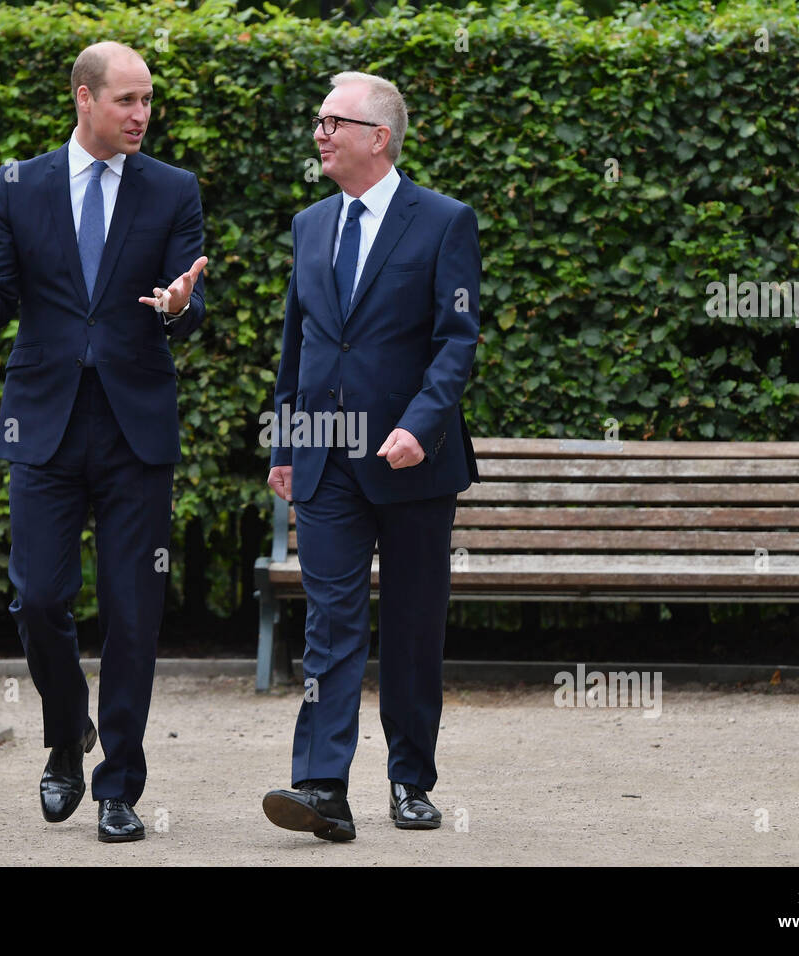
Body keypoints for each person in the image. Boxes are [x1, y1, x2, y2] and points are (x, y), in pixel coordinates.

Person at [0, 41, 207, 843]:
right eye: (127, 100)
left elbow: (192, 301)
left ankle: (119, 787)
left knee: (133, 610)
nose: (142, 114)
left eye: (149, 100)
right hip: (41, 424)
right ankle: (65, 731)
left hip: (133, 430)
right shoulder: (22, 184)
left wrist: (181, 305)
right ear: (84, 98)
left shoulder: (173, 190)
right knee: (39, 597)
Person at [262, 72, 481, 841]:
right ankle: (322, 786)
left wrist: (422, 424)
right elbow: (299, 345)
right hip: (325, 462)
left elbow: (458, 342)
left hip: (414, 463)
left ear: (377, 136)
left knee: (415, 629)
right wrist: (287, 442)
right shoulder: (309, 225)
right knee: (329, 624)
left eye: (332, 121)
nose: (319, 133)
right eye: (318, 121)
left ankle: (411, 781)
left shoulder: (445, 222)